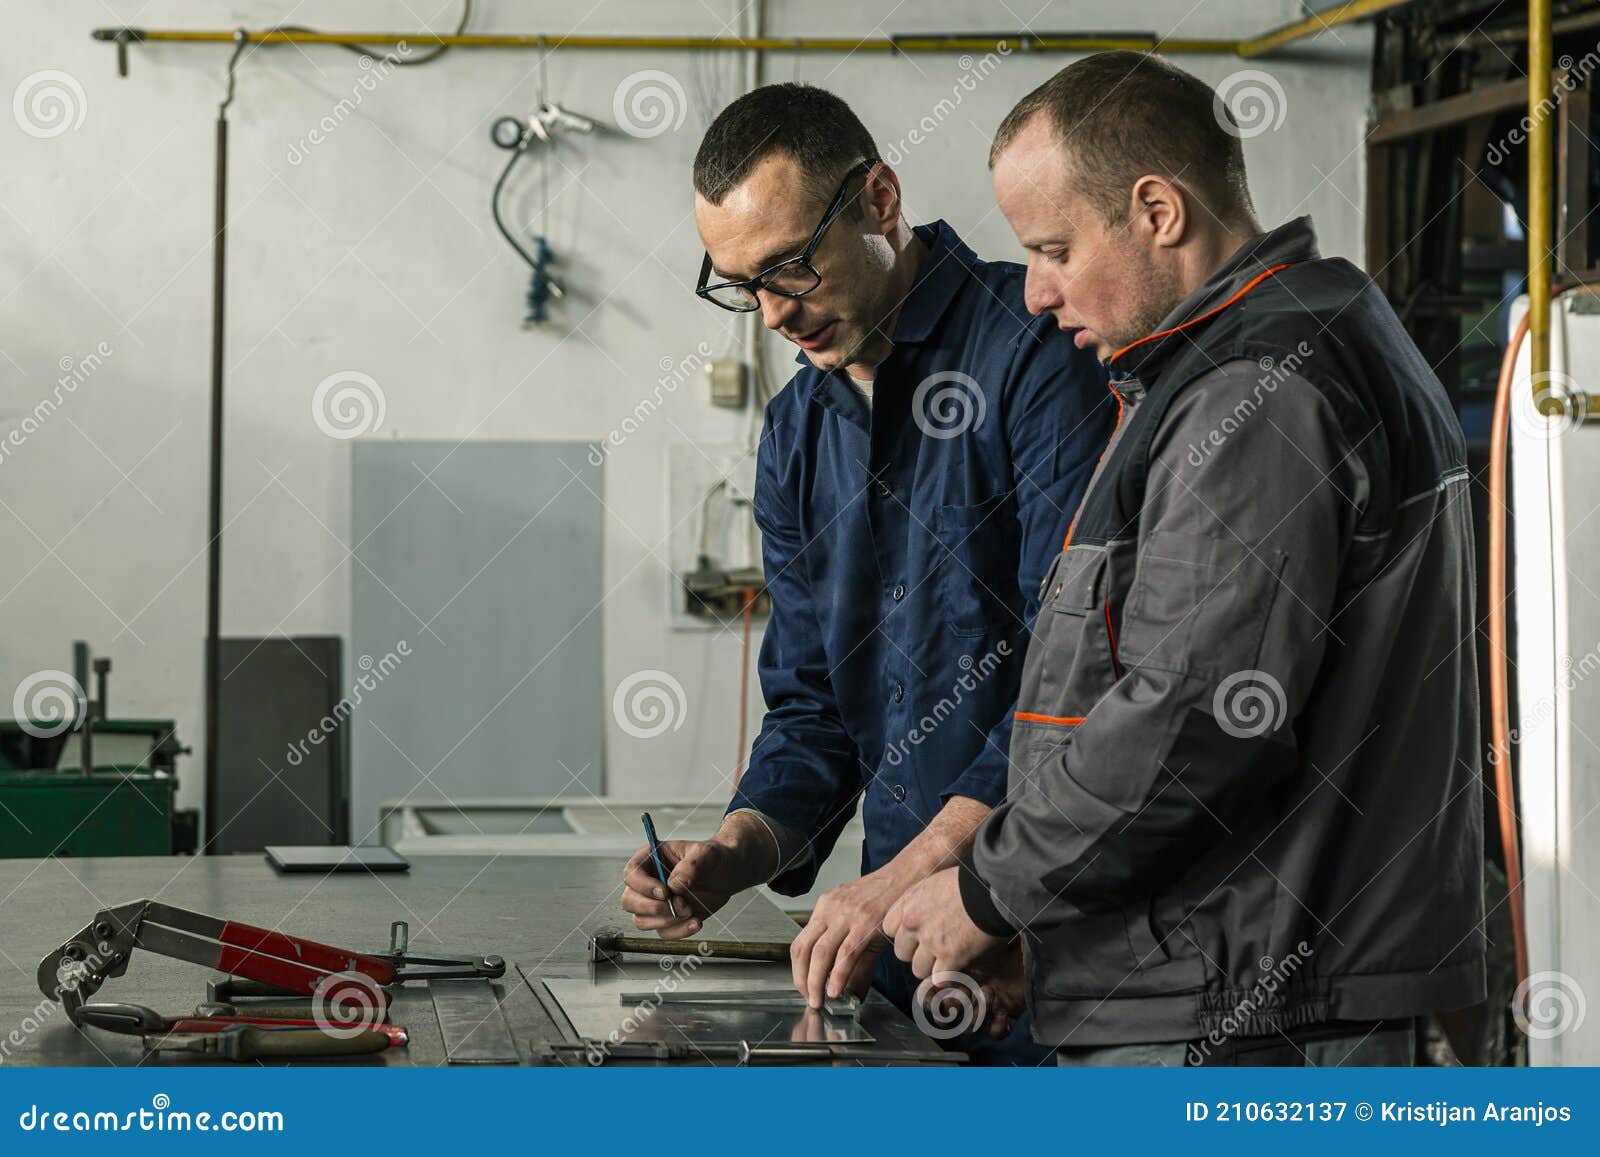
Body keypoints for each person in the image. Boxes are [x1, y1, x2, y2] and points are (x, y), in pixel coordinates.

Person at [884, 51, 1485, 1067]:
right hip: (1223, 994)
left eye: (1055, 248)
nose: (1035, 292)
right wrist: (1057, 934)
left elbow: (1194, 720)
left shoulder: (1257, 393)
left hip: (1248, 1025)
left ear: (1157, 209)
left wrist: (989, 890)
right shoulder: (1252, 360)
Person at [618, 83, 1112, 1062]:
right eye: (740, 284)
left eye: (791, 266)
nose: (771, 312)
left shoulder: (1040, 356)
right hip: (894, 948)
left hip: (1049, 945)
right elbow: (812, 709)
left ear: (880, 199)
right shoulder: (798, 430)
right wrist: (736, 850)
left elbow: (1076, 673)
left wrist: (963, 881)